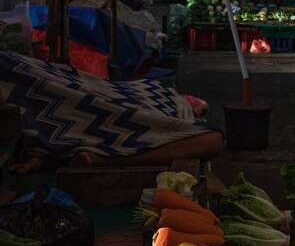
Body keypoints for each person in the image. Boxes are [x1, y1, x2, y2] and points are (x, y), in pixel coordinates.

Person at [0, 50, 223, 174]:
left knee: (210, 140)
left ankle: (100, 156)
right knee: (211, 141)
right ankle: (103, 159)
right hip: (98, 103)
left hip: (102, 94)